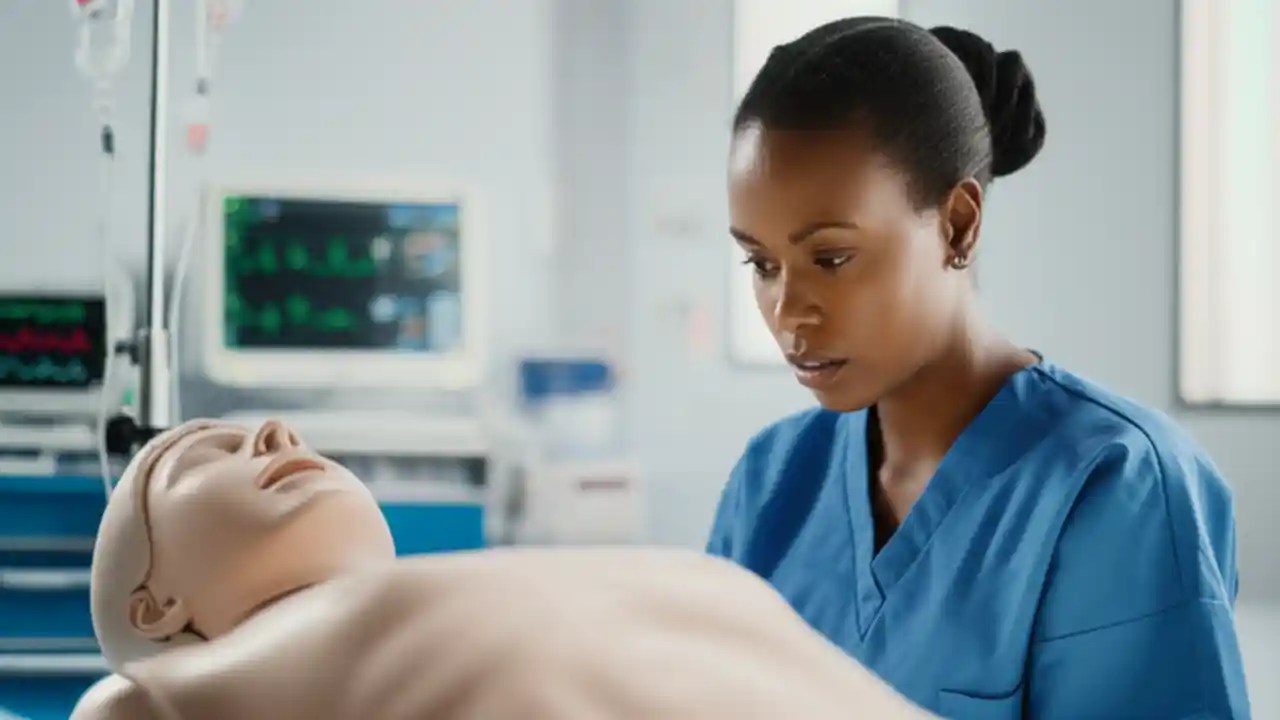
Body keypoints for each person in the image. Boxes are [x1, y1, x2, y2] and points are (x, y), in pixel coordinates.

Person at [707, 16, 1251, 719]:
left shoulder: (1117, 486)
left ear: (958, 224)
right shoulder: (770, 482)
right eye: (761, 264)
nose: (787, 312)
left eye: (831, 258)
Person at [73, 418, 934, 719]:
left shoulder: (439, 604)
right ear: (155, 609)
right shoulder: (163, 697)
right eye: (206, 457)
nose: (276, 433)